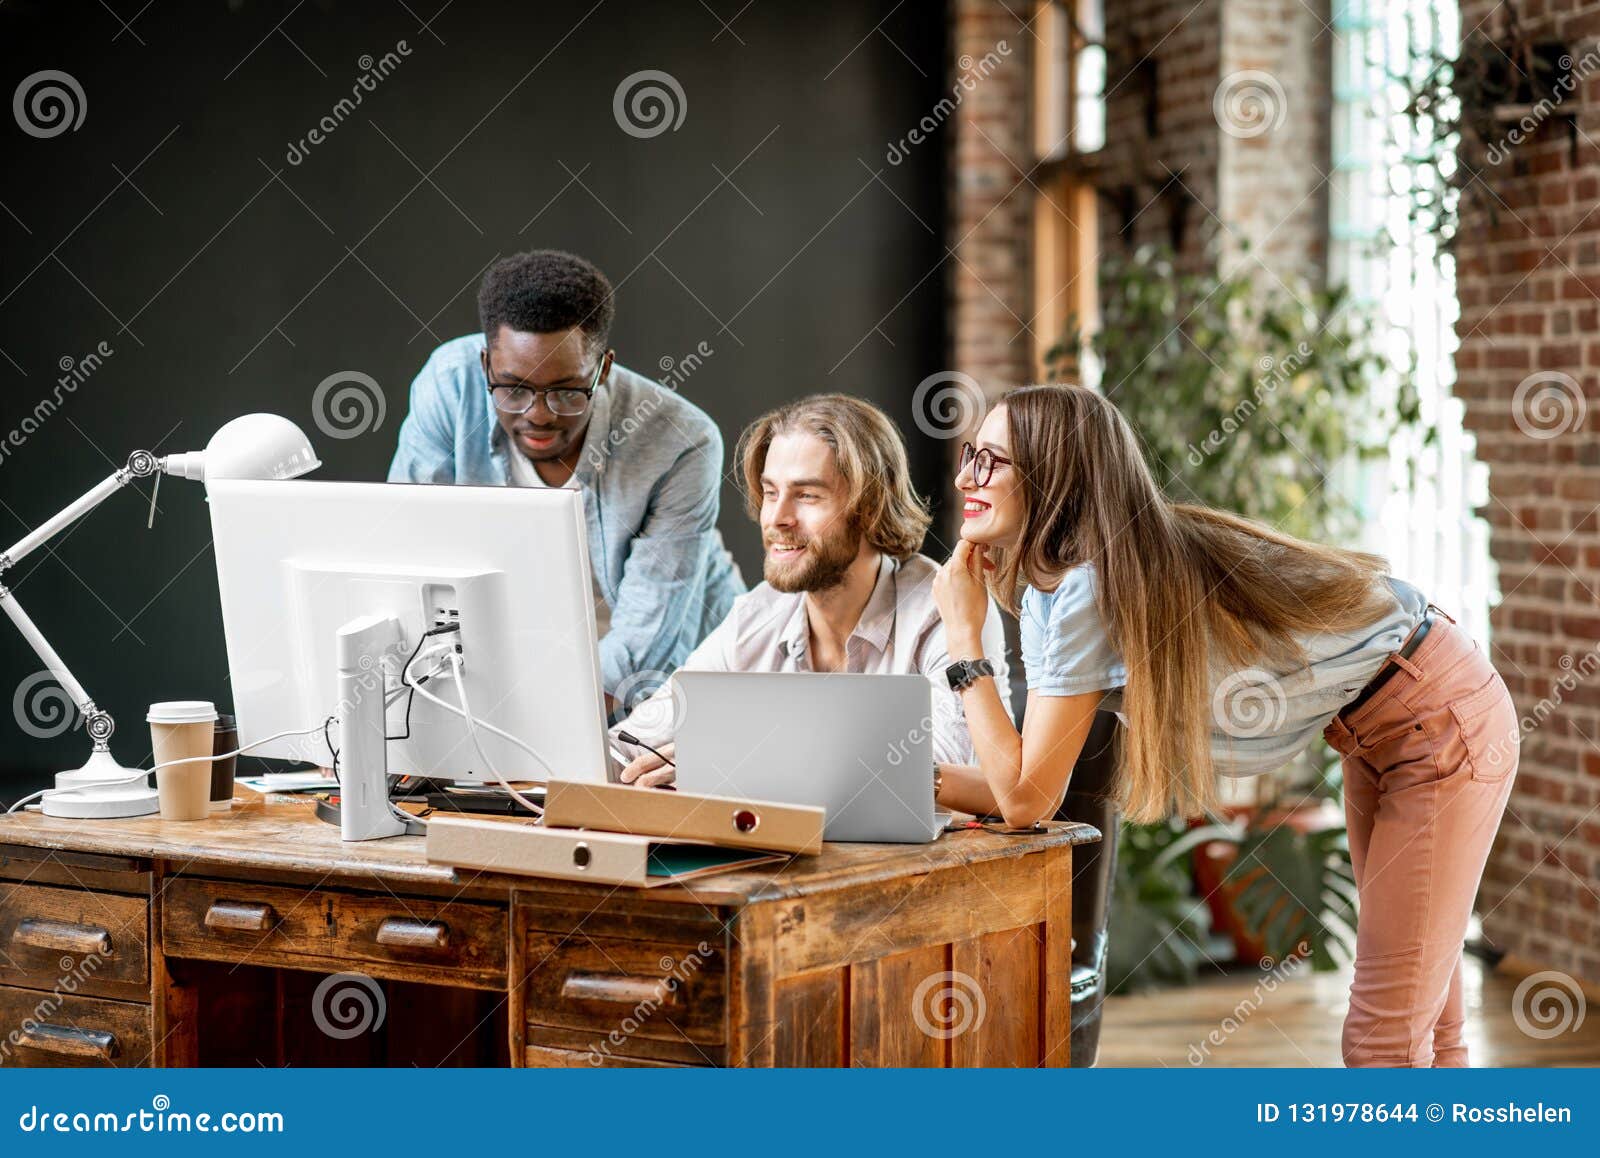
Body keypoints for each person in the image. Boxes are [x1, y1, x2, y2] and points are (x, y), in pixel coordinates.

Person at [931, 383, 1518, 1068]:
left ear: (1055, 474)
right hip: (1382, 723)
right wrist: (915, 781)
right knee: (1425, 1028)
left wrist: (964, 639)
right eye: (970, 455)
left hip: (1437, 718)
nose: (964, 477)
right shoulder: (1058, 588)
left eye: (990, 461)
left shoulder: (1091, 587)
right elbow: (1030, 783)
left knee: (1383, 1041)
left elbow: (1025, 800)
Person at [388, 249, 744, 704]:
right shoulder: (449, 385)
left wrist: (536, 724)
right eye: (514, 389)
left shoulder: (681, 442)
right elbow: (407, 558)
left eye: (566, 392)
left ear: (603, 370)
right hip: (526, 663)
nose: (538, 415)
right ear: (485, 367)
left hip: (659, 678)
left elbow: (642, 645)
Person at [615, 393, 1010, 786]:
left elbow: (946, 762)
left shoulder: (945, 609)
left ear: (869, 506)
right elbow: (634, 741)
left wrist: (741, 755)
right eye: (771, 493)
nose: (777, 518)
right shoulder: (756, 616)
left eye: (806, 495)